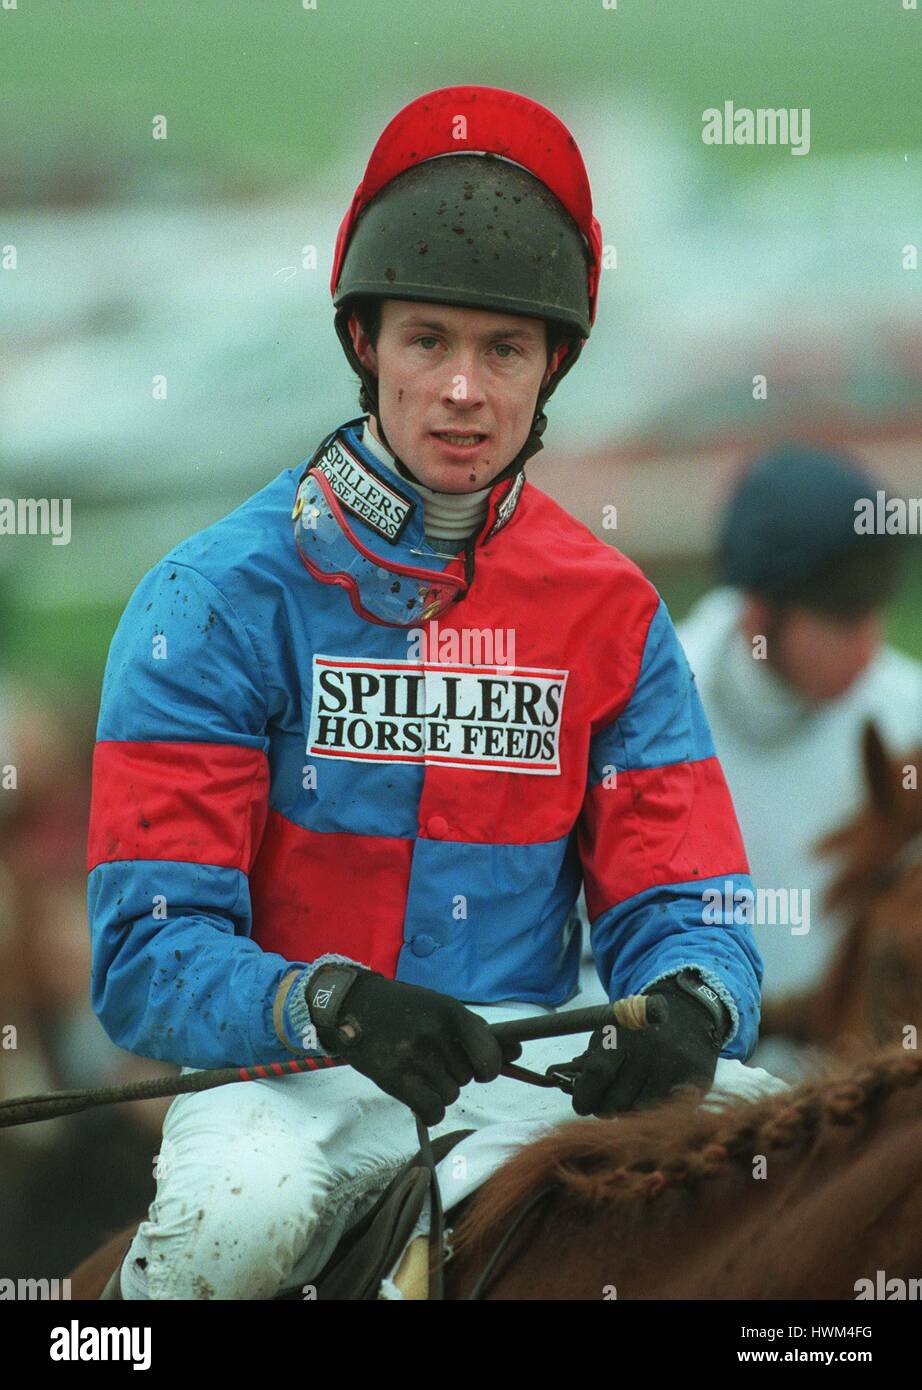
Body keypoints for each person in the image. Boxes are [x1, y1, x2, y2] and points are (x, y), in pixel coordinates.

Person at [87, 85, 783, 1302]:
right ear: (365, 345)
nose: (464, 390)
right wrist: (331, 1003)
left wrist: (688, 1002)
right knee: (233, 1230)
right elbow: (146, 953)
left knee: (800, 1161)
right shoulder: (206, 597)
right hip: (279, 1087)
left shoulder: (613, 609)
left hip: (525, 1061)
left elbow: (687, 900)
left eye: (503, 348)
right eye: (428, 342)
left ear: (553, 363)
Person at [676, 443, 922, 1076]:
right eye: (842, 620)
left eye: (874, 613)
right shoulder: (654, 698)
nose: (869, 646)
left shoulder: (907, 715)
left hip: (844, 1108)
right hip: (685, 1096)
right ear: (761, 610)